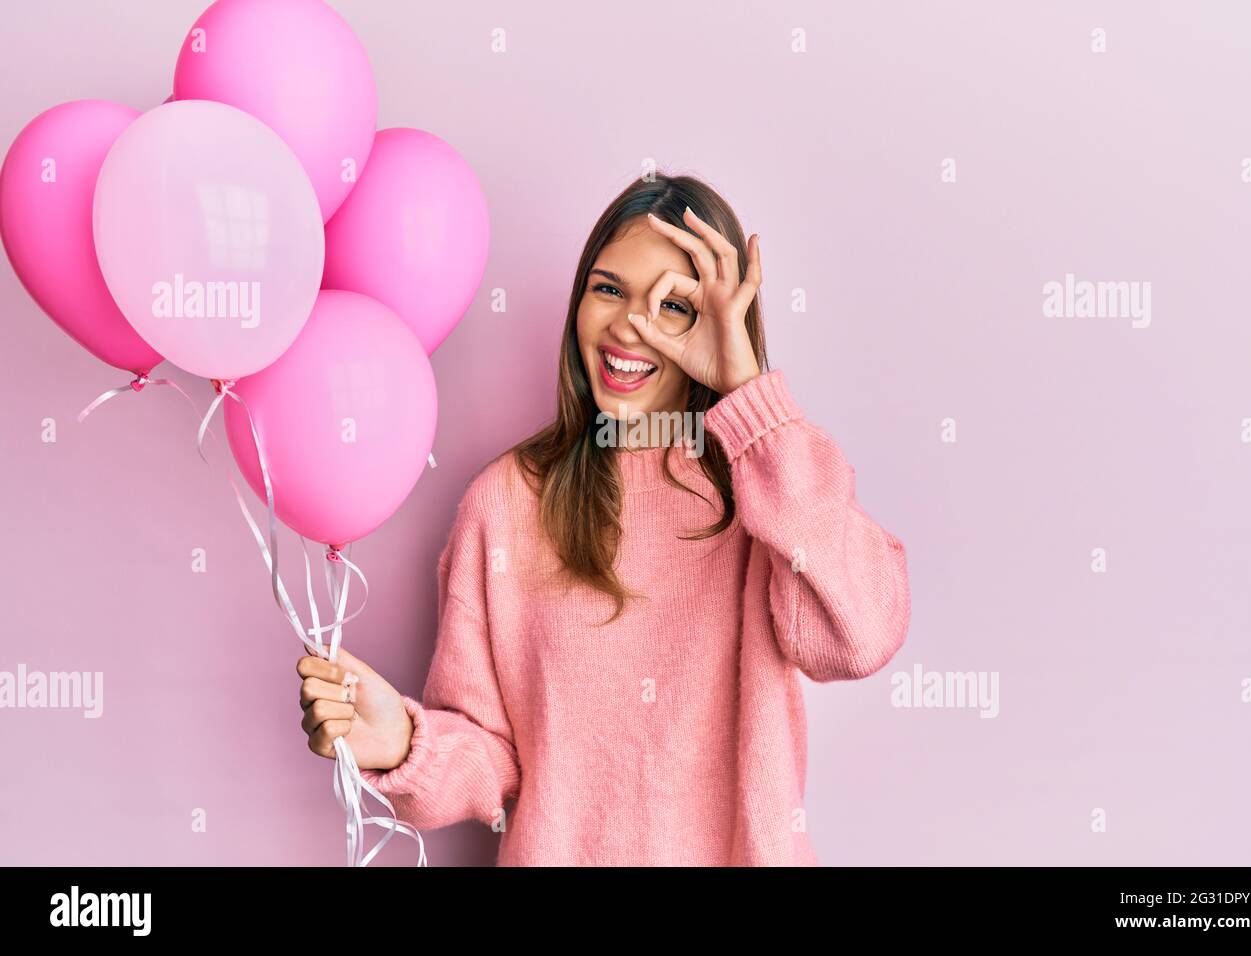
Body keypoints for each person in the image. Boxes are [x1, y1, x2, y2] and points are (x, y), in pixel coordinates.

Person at [297, 173, 911, 865]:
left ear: (720, 326)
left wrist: (750, 401)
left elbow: (857, 636)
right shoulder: (504, 502)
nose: (629, 325)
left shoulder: (768, 486)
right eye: (608, 288)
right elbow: (492, 758)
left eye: (674, 306)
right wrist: (404, 744)